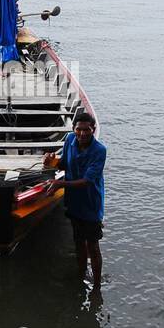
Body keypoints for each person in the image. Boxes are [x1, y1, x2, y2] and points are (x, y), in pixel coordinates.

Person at [43, 112, 106, 285]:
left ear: (93, 130)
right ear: (74, 129)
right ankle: (81, 275)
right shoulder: (70, 140)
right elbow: (64, 164)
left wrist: (59, 184)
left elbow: (87, 181)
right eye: (79, 129)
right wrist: (50, 161)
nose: (82, 134)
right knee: (78, 241)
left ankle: (97, 285)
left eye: (87, 130)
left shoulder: (99, 151)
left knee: (92, 245)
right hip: (74, 202)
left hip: (91, 203)